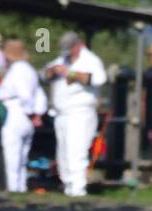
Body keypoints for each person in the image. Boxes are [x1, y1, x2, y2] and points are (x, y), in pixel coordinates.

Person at [44, 31, 107, 197]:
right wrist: (53, 71)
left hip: (80, 113)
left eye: (70, 48)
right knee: (63, 154)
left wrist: (70, 73)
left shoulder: (91, 60)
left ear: (78, 45)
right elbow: (45, 73)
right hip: (61, 113)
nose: (67, 51)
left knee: (76, 151)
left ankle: (78, 189)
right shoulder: (62, 59)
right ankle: (68, 187)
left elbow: (99, 79)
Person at [0, 39, 47, 193]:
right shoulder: (30, 70)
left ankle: (13, 189)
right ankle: (20, 187)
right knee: (22, 157)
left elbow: (25, 95)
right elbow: (41, 96)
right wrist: (37, 113)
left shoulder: (17, 70)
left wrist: (31, 113)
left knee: (12, 155)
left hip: (17, 113)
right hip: (27, 116)